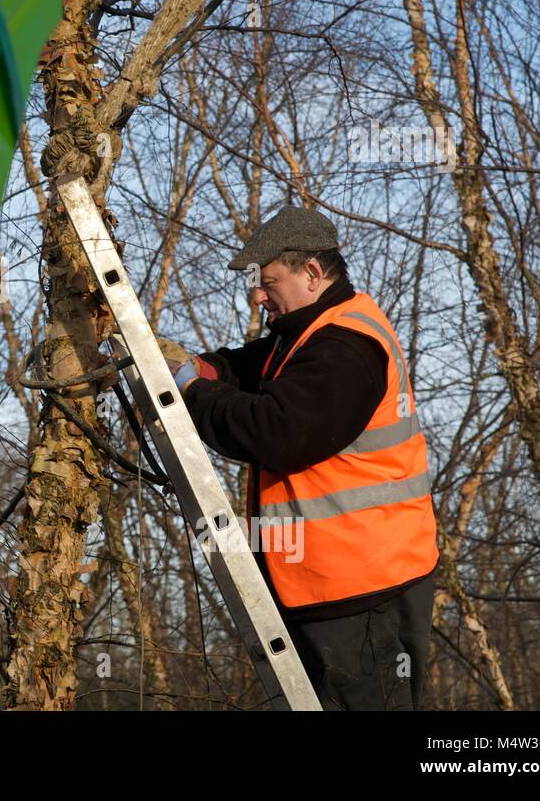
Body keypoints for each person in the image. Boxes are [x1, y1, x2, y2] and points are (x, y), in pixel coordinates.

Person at [161, 205, 439, 710]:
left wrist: (189, 389)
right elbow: (240, 369)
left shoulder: (347, 346)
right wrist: (192, 368)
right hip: (328, 588)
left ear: (312, 272)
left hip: (364, 592)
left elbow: (279, 433)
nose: (258, 295)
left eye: (269, 282)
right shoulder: (301, 336)